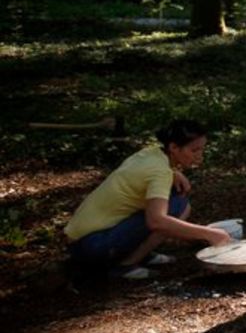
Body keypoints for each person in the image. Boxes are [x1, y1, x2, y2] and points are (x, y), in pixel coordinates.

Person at [64, 119, 232, 280]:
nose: (199, 156)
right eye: (194, 150)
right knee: (177, 207)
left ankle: (138, 252)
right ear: (174, 147)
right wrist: (209, 234)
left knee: (178, 201)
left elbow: (143, 173)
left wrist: (175, 173)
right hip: (93, 246)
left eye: (202, 149)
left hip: (79, 241)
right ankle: (126, 265)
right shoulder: (160, 172)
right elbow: (156, 221)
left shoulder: (149, 154)